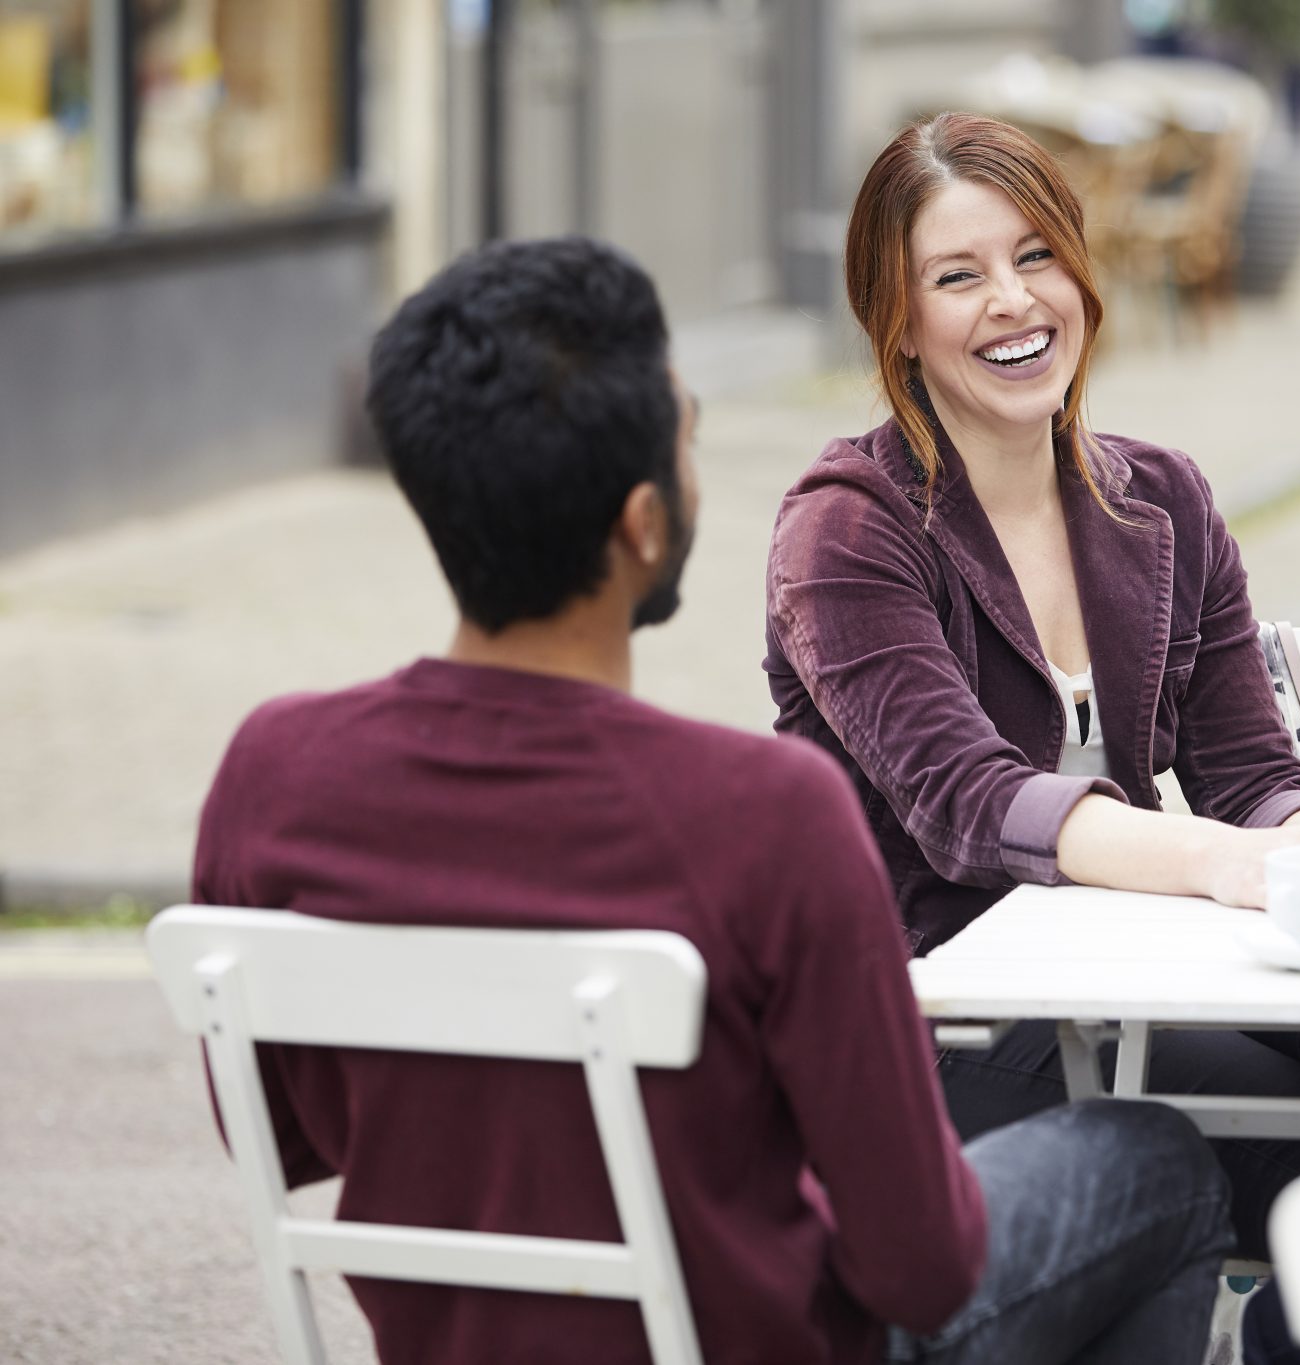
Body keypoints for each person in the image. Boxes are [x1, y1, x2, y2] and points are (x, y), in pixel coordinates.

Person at [191, 236, 1233, 1365]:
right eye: (689, 438)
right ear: (645, 524)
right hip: (758, 1340)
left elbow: (283, 1138)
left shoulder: (274, 773)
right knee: (1154, 1163)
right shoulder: (764, 815)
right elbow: (921, 1266)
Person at [763, 112, 1300, 1260]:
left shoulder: (1158, 498)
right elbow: (970, 808)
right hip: (939, 1024)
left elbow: (1247, 768)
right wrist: (1221, 863)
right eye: (956, 277)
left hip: (1141, 988)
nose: (1012, 302)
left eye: (1035, 256)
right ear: (898, 324)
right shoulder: (846, 531)